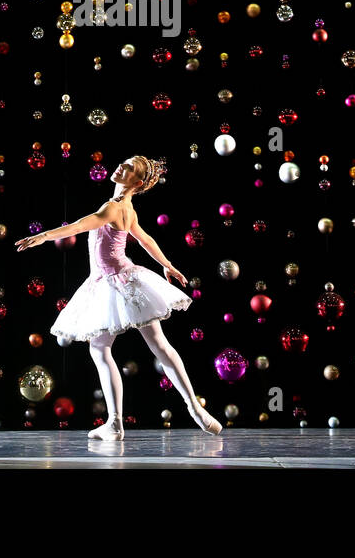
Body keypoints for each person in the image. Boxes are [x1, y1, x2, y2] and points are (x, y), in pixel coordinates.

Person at [16, 155, 222, 440]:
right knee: (150, 346)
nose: (120, 167)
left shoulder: (112, 208)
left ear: (136, 182)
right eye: (123, 163)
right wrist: (167, 265)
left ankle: (117, 422)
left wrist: (44, 236)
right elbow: (146, 239)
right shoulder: (128, 209)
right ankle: (193, 411)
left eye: (128, 168)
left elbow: (79, 225)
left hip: (116, 281)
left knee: (107, 350)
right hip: (117, 279)